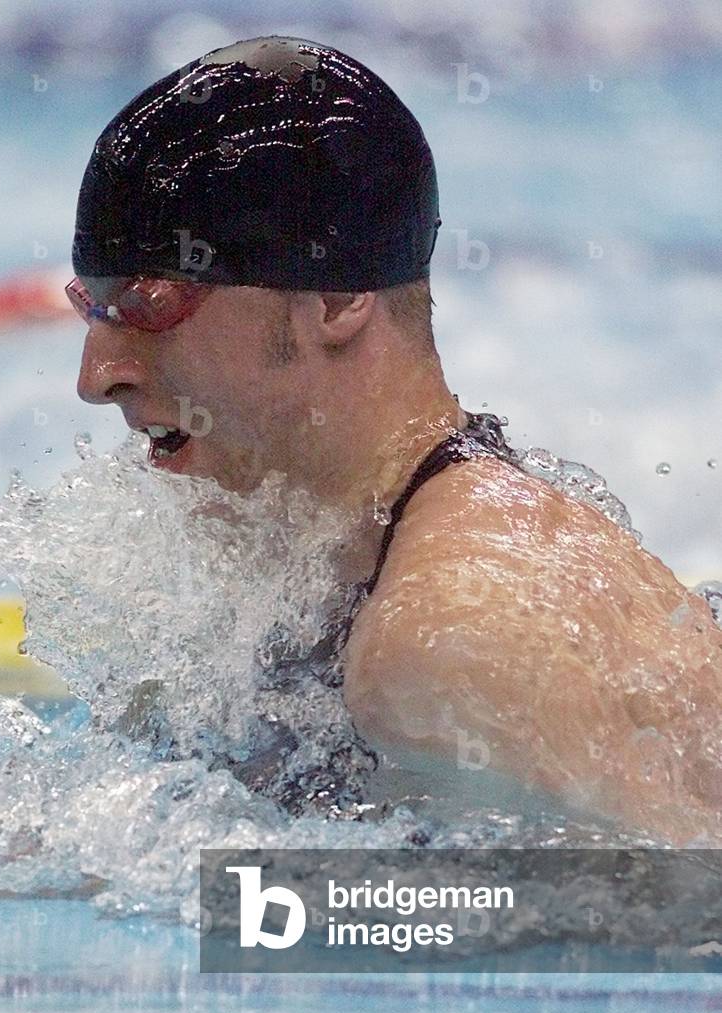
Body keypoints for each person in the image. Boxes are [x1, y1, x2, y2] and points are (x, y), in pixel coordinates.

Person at [70, 35, 722, 843]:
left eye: (149, 304)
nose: (96, 376)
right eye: (90, 309)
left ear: (337, 298)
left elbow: (681, 904)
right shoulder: (350, 559)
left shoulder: (448, 637)